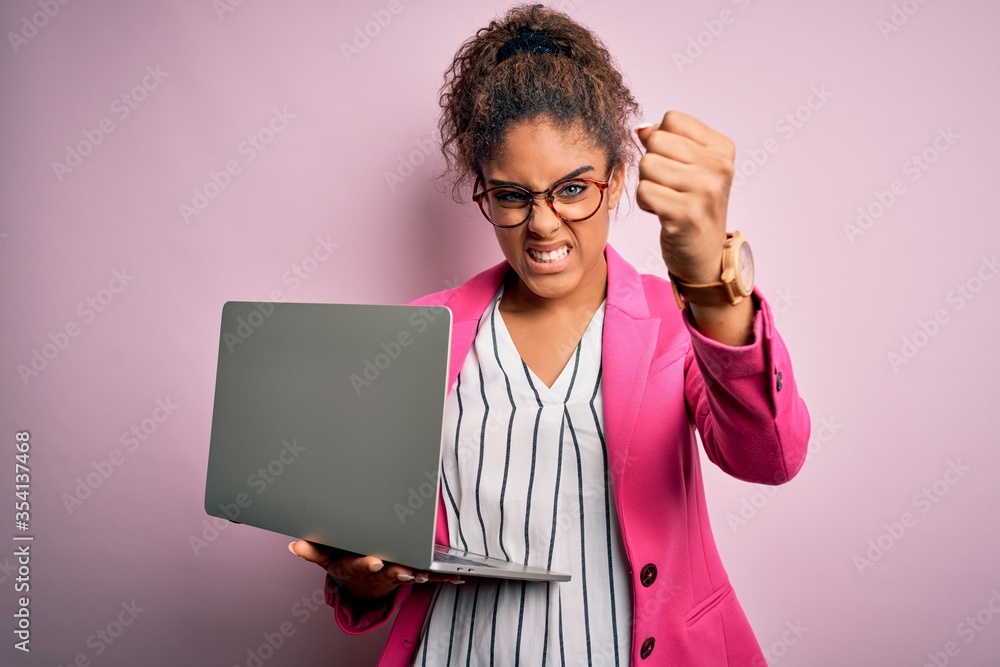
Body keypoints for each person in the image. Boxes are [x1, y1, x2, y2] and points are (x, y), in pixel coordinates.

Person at [289, 4, 810, 665]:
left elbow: (768, 456)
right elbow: (376, 564)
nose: (543, 224)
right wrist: (357, 576)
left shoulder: (680, 322)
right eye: (512, 195)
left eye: (571, 188)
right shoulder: (420, 333)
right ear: (483, 191)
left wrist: (711, 281)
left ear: (617, 177)